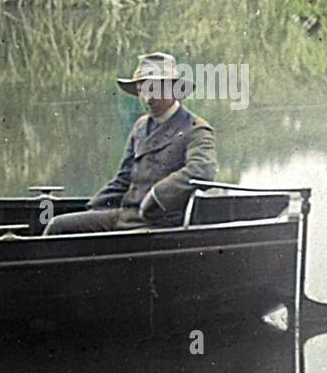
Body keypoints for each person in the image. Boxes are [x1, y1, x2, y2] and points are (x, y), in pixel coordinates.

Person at [44, 52, 216, 235]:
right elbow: (124, 178)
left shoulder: (196, 130)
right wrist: (93, 207)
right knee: (59, 225)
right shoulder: (141, 126)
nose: (148, 99)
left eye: (155, 90)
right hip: (127, 217)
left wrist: (157, 195)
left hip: (159, 224)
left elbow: (202, 170)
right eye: (143, 90)